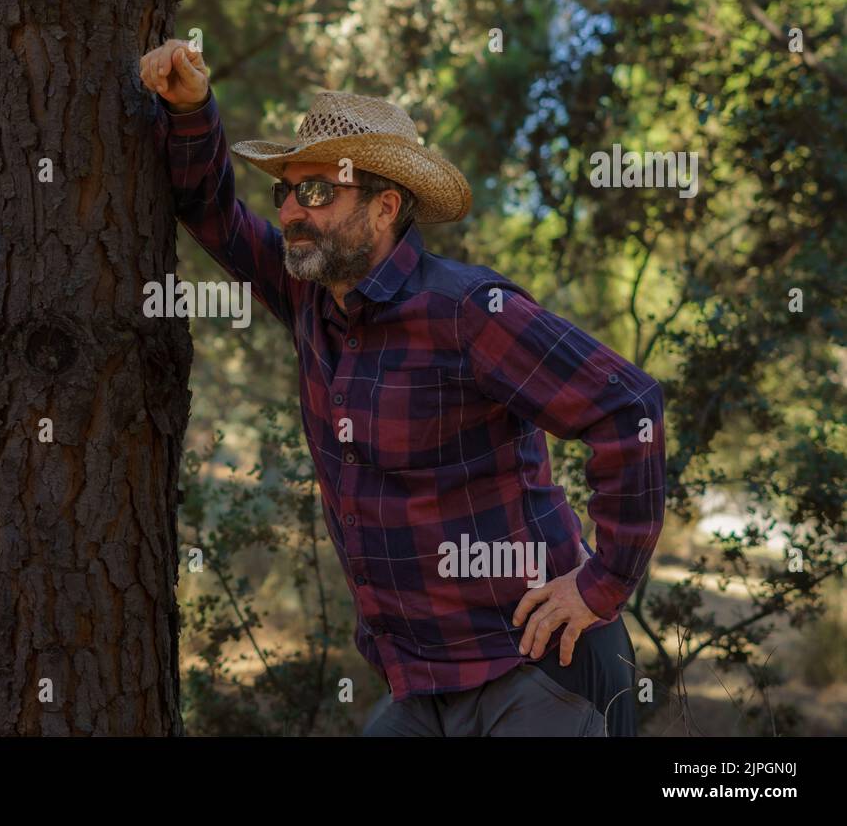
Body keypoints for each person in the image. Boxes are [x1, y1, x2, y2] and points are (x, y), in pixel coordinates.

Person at [141, 39, 665, 736]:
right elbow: (212, 211)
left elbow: (627, 407)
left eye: (319, 190)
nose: (293, 210)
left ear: (385, 206)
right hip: (422, 686)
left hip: (538, 671)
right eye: (287, 190)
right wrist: (192, 109)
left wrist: (604, 584)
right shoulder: (311, 297)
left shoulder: (469, 310)